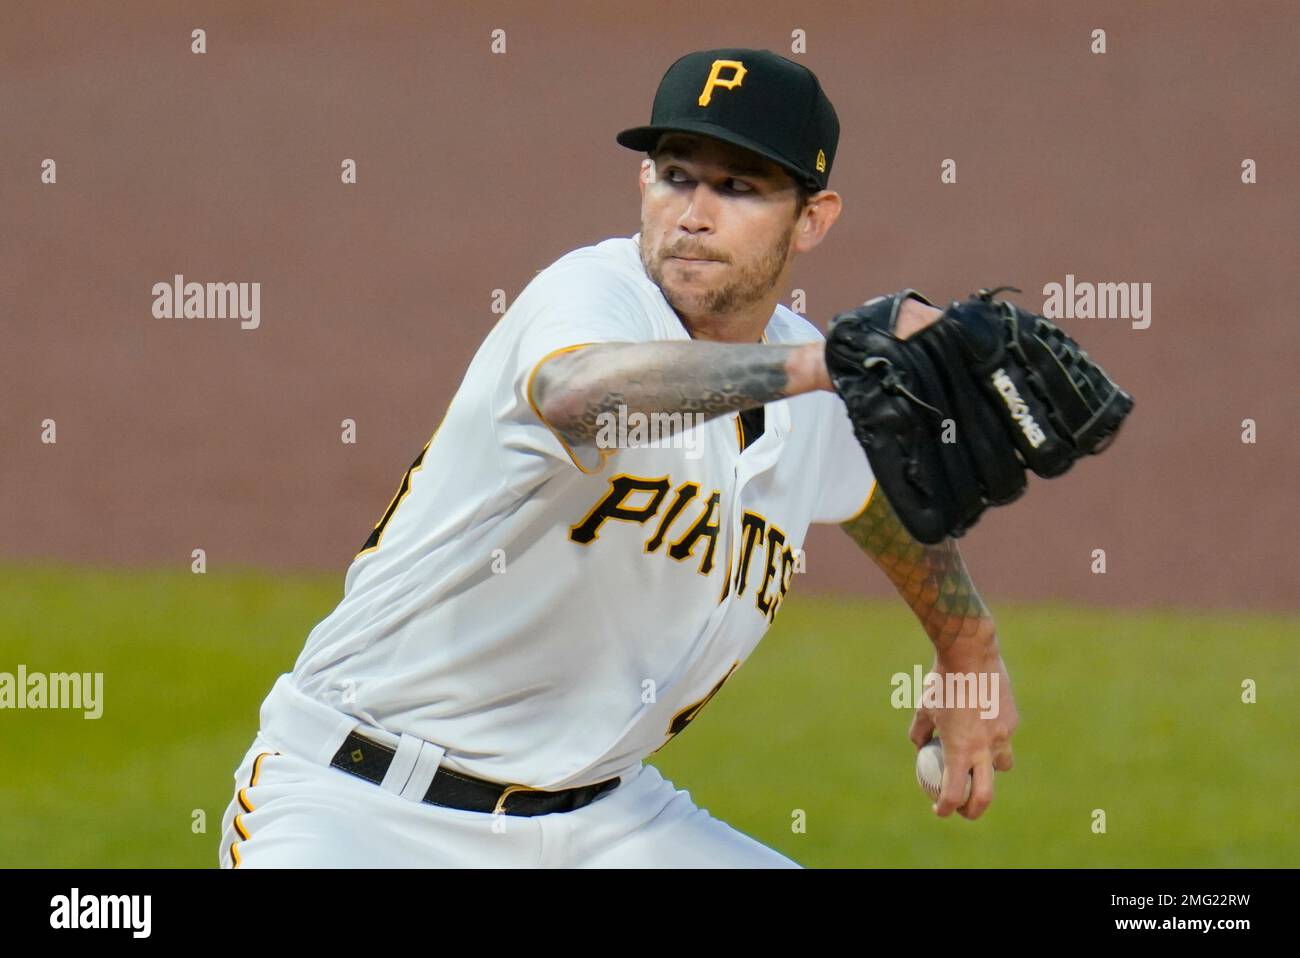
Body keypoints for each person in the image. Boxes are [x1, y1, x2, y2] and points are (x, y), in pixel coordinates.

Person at [219, 47, 1018, 869]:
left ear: (812, 219)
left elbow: (882, 508)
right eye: (676, 176)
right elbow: (578, 394)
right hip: (362, 805)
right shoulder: (591, 297)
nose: (694, 214)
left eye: (738, 188)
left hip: (607, 821)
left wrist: (968, 648)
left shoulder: (808, 385)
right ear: (643, 182)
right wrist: (827, 368)